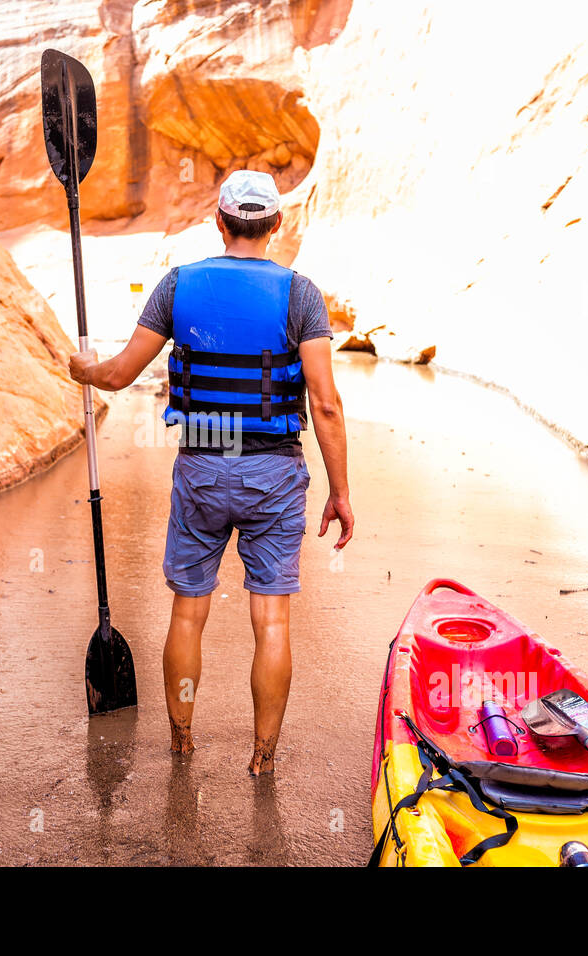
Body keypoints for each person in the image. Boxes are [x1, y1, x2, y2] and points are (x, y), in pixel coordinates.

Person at [68, 169, 353, 774]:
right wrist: (341, 491)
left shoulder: (178, 285)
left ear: (219, 221)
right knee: (270, 617)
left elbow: (119, 374)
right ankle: (263, 756)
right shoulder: (301, 295)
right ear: (276, 225)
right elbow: (325, 404)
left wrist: (83, 370)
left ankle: (180, 739)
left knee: (188, 611)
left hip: (201, 465)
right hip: (274, 474)